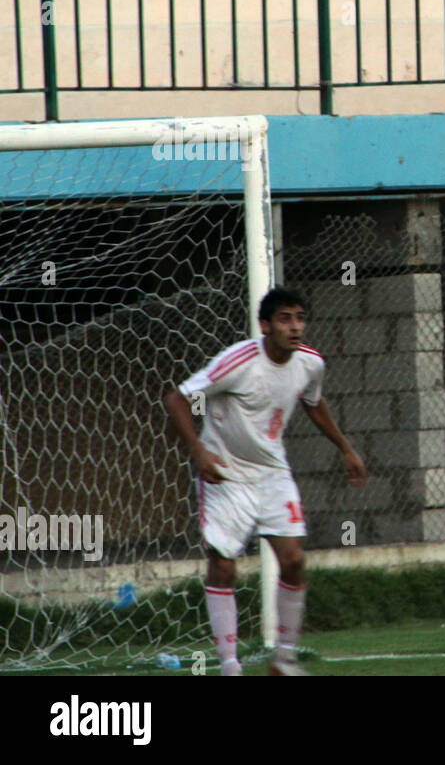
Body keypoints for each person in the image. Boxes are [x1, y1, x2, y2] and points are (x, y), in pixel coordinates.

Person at [162, 287, 367, 677]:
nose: (295, 327)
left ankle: (284, 660)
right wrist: (199, 452)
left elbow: (313, 401)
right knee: (223, 567)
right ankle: (229, 665)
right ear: (265, 325)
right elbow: (176, 399)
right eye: (285, 319)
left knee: (293, 561)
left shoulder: (310, 363)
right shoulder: (239, 361)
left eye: (300, 318)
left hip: (272, 473)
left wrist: (345, 447)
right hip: (226, 472)